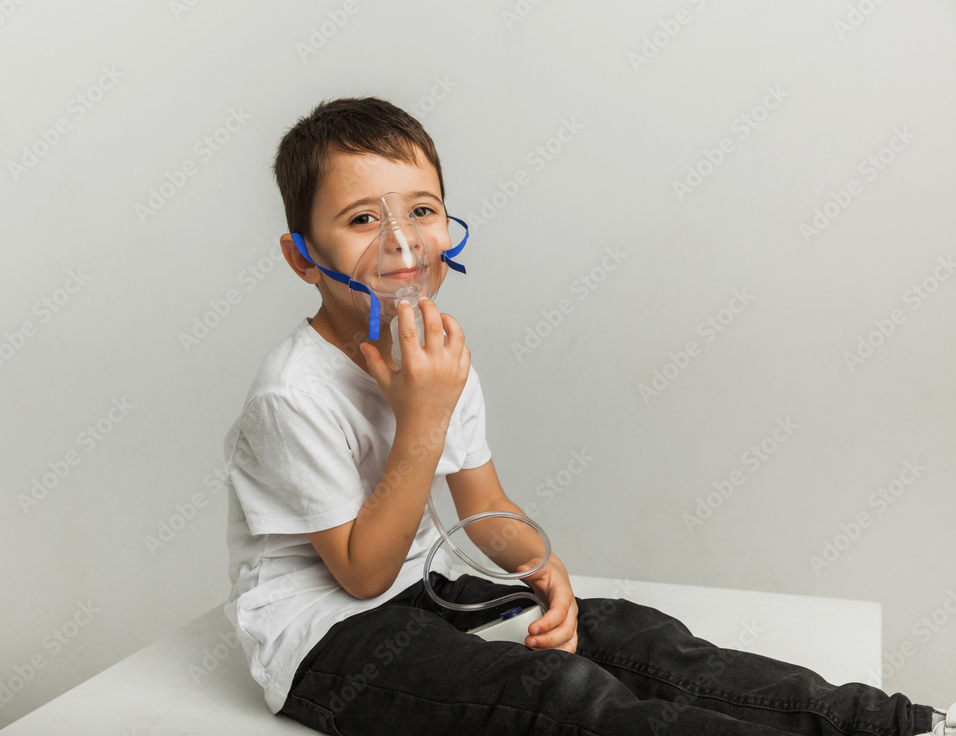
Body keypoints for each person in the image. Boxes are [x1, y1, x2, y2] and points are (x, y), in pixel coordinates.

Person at [221, 96, 952, 735]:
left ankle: (892, 724)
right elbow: (361, 574)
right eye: (361, 219)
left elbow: (485, 504)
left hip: (424, 595)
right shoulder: (294, 392)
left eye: (421, 210)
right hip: (325, 640)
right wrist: (422, 419)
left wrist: (542, 567)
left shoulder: (437, 355)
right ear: (303, 257)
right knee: (552, 694)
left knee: (631, 636)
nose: (402, 242)